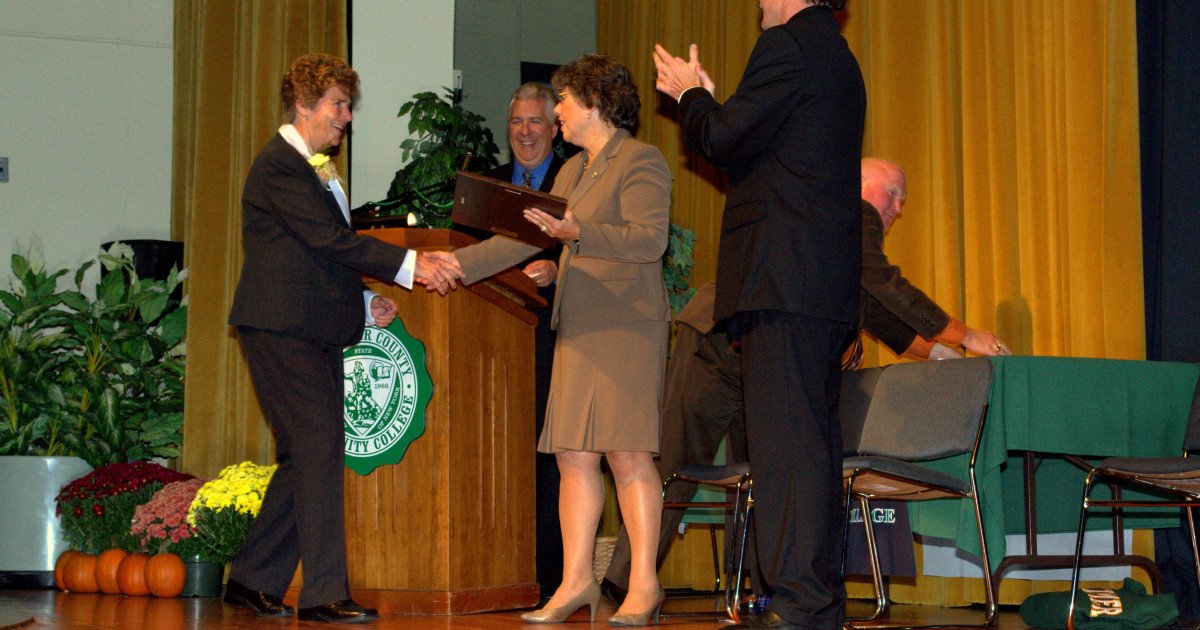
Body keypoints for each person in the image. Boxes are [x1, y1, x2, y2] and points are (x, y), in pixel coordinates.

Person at [601, 159, 1012, 608]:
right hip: (718, 344)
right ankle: (626, 582)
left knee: (766, 477)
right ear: (857, 184)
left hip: (763, 357)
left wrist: (944, 356)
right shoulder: (849, 212)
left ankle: (766, 594)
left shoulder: (832, 229)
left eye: (902, 200)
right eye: (890, 192)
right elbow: (884, 283)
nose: (895, 208)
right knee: (678, 463)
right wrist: (967, 335)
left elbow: (876, 311)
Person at [225, 52, 461, 624]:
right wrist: (410, 266)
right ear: (305, 106)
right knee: (319, 450)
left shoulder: (312, 166)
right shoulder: (282, 165)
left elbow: (313, 251)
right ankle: (323, 593)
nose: (346, 117)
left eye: (348, 106)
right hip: (282, 329)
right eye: (338, 105)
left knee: (308, 452)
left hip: (306, 326)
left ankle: (252, 578)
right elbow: (329, 241)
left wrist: (359, 299)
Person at [653, 1, 866, 627]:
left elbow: (720, 139)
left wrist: (693, 98)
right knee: (811, 450)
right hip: (815, 285)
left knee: (786, 452)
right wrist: (715, 105)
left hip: (781, 281)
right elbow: (761, 153)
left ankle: (798, 603)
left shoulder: (787, 46)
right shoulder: (835, 55)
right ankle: (816, 602)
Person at [443, 53, 672, 626]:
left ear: (594, 103)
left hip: (625, 327)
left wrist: (579, 233)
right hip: (579, 326)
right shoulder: (572, 171)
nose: (558, 113)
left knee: (627, 454)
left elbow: (648, 241)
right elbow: (520, 240)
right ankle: (576, 582)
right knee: (573, 456)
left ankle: (644, 585)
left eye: (564, 101)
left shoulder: (641, 161)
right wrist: (453, 263)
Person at [482, 82, 566, 603]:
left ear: (555, 129)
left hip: (553, 338)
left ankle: (554, 577)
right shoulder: (486, 186)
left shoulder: (576, 180)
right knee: (495, 456)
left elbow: (592, 247)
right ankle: (497, 571)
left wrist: (559, 268)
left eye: (537, 122)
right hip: (491, 338)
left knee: (549, 460)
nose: (526, 132)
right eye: (517, 122)